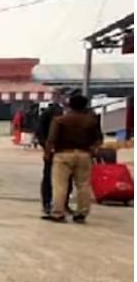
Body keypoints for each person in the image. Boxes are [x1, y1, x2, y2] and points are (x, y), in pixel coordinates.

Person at [45, 94, 103, 224]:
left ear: (69, 105)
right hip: (84, 154)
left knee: (60, 185)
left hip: (63, 154)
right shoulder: (92, 121)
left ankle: (58, 213)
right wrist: (93, 151)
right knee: (83, 185)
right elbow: (98, 140)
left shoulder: (59, 120)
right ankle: (81, 213)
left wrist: (47, 155)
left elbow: (51, 140)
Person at [37, 101, 68, 217]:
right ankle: (62, 204)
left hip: (52, 150)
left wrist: (46, 148)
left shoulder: (47, 114)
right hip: (62, 150)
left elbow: (40, 133)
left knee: (48, 177)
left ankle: (47, 203)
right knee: (65, 180)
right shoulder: (62, 115)